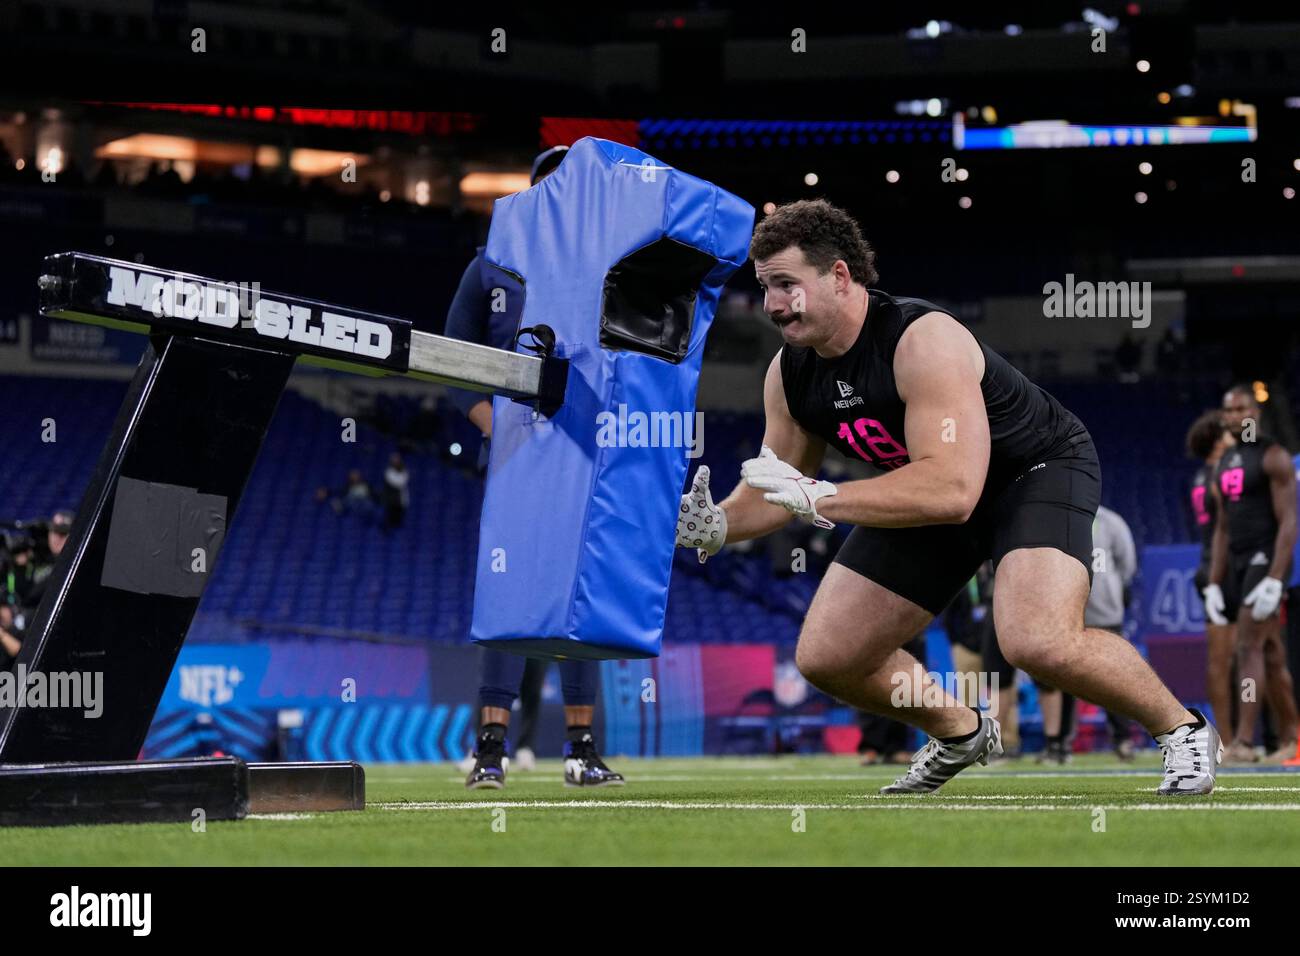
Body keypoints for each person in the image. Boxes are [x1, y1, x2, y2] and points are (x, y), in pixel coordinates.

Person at [676, 199, 1219, 795]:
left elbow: (953, 490)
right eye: (764, 287)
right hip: (924, 489)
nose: (774, 304)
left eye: (786, 284)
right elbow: (779, 487)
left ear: (838, 276)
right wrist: (720, 524)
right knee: (829, 656)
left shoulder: (920, 339)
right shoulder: (788, 373)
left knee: (1034, 639)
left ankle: (1184, 729)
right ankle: (960, 731)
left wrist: (823, 497)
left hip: (1030, 472)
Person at [446, 145, 622, 789]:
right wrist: (503, 428)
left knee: (582, 602)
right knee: (510, 598)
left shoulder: (606, 271)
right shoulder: (490, 268)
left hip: (584, 462)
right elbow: (452, 364)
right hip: (517, 465)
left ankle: (582, 751)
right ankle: (489, 753)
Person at [1202, 385, 1299, 763]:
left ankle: (1243, 740)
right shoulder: (1226, 462)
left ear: (1255, 411)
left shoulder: (1273, 456)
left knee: (1247, 647)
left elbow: (1289, 521)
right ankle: (1291, 735)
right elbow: (1222, 528)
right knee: (1271, 654)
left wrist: (1276, 578)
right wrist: (1213, 582)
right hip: (1239, 562)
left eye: (1241, 408)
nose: (1235, 415)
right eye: (1229, 410)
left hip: (1265, 559)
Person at [1187, 409, 1236, 734]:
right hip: (1228, 571)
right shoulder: (1226, 473)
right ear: (1219, 439)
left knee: (1221, 662)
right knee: (1244, 659)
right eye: (1230, 432)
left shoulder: (1201, 477)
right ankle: (1239, 740)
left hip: (1207, 569)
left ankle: (1230, 740)